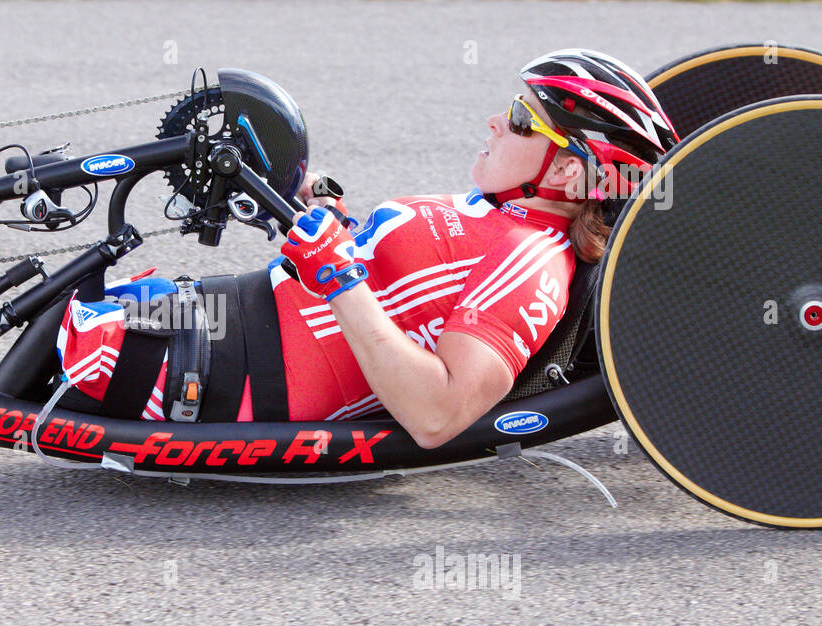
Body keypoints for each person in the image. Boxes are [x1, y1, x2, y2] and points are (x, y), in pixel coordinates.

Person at [55, 49, 678, 449]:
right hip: (213, 321)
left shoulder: (533, 266)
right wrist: (331, 220)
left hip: (211, 369)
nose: (496, 122)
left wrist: (341, 277)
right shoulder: (501, 216)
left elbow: (437, 415)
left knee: (47, 321)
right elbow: (405, 294)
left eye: (520, 118)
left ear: (571, 175)